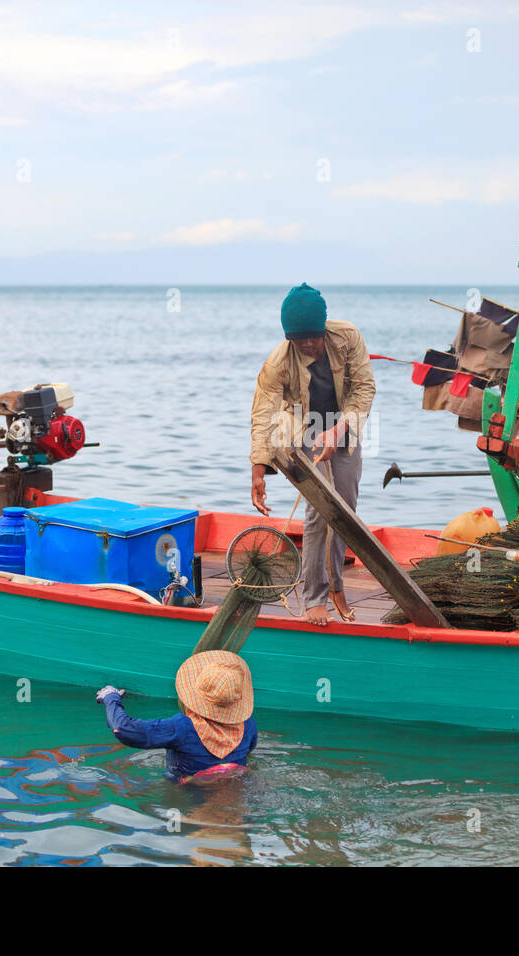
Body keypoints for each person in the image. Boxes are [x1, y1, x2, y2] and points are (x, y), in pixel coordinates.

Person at [249, 283, 375, 627]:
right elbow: (263, 415)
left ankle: (337, 585)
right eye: (299, 338)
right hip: (302, 431)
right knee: (319, 510)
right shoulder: (278, 362)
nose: (307, 344)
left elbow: (364, 387)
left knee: (345, 507)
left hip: (344, 426)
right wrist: (258, 470)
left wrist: (341, 428)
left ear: (324, 327)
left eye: (313, 336)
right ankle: (315, 597)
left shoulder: (348, 337)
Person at [97, 650, 257, 782]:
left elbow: (123, 729)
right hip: (235, 789)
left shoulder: (182, 727)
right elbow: (249, 750)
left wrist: (110, 697)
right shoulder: (247, 723)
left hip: (191, 795)